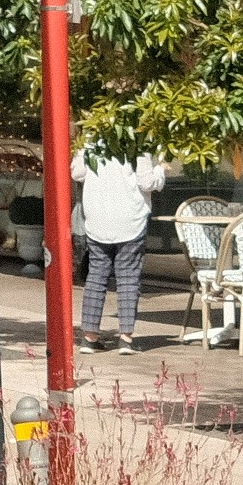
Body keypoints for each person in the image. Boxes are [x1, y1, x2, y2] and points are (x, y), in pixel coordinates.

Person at [75, 145, 170, 350]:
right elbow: (147, 183)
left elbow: (77, 172)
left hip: (97, 219)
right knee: (128, 279)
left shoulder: (91, 142)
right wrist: (161, 168)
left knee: (96, 277)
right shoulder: (138, 144)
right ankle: (125, 339)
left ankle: (89, 338)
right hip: (130, 220)